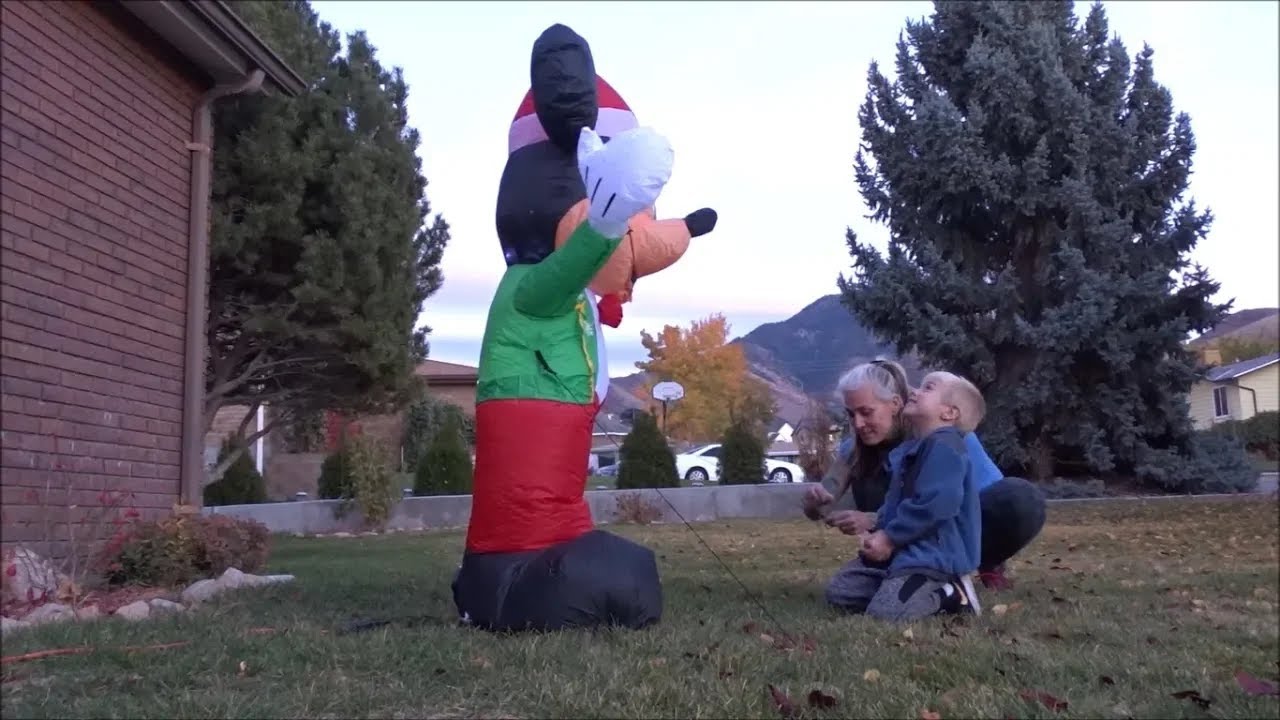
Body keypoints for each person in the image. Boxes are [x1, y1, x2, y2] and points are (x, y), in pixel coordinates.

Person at [803, 359, 1046, 602]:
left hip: (946, 535)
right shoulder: (852, 451)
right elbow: (824, 497)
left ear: (895, 404)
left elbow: (967, 503)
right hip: (901, 543)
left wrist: (872, 520)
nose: (857, 424)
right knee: (842, 592)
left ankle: (971, 567)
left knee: (1021, 499)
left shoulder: (947, 438)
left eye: (866, 412)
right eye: (851, 414)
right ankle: (907, 579)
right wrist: (815, 503)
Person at [839, 370, 987, 620]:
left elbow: (937, 504)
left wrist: (889, 538)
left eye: (928, 388)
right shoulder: (913, 450)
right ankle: (897, 587)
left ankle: (951, 592)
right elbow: (894, 503)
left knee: (885, 614)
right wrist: (878, 532)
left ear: (949, 412)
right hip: (903, 553)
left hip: (933, 557)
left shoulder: (946, 446)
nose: (915, 391)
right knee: (841, 592)